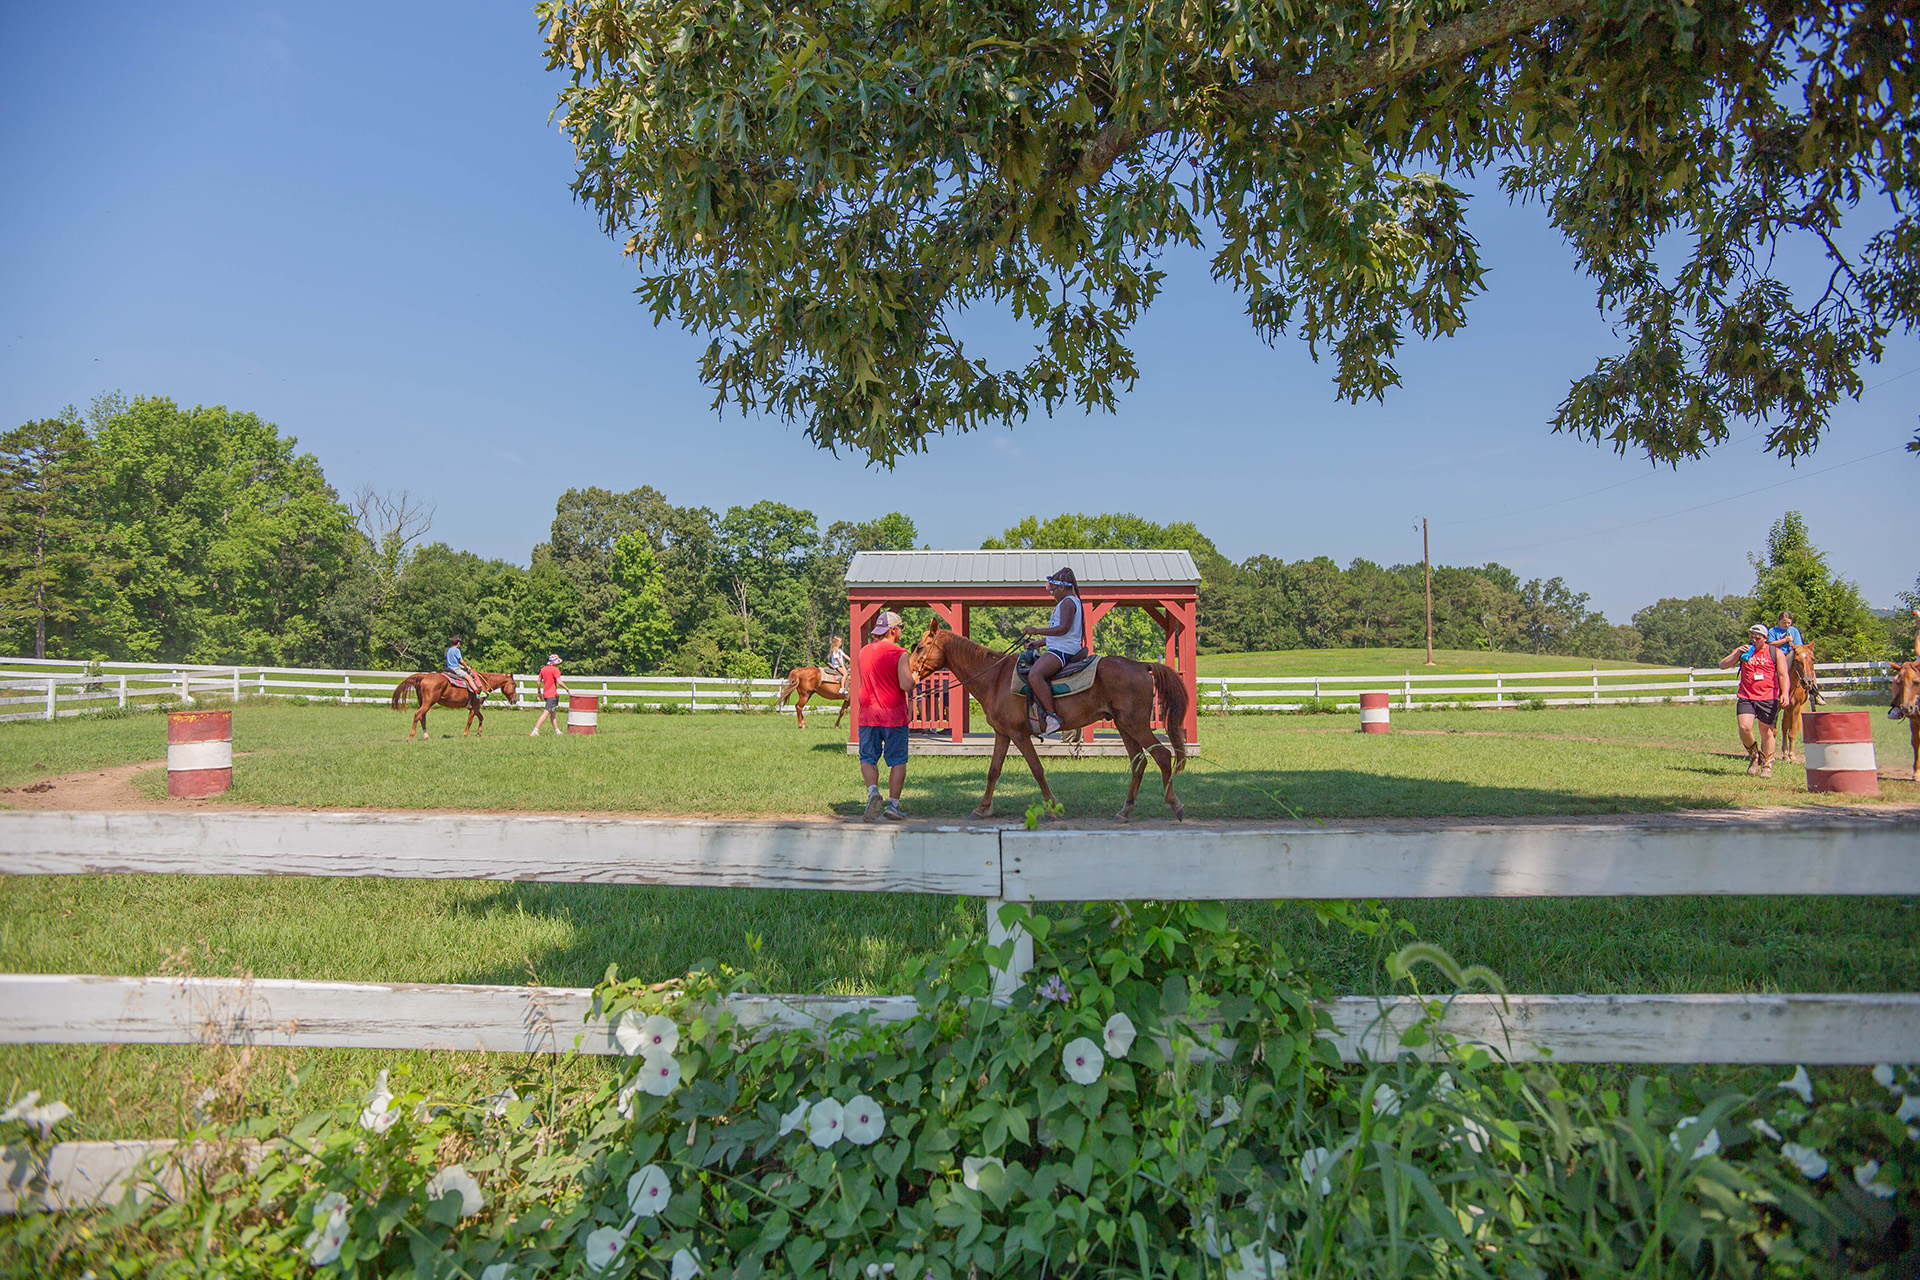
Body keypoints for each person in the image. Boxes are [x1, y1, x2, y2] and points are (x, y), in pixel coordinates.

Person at [855, 611, 916, 821]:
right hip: (893, 715)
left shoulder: (863, 652)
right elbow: (906, 684)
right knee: (897, 760)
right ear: (892, 630)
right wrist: (914, 679)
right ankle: (894, 806)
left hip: (867, 714)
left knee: (867, 758)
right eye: (900, 628)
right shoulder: (900, 653)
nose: (900, 632)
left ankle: (873, 792)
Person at [1019, 568, 1086, 739]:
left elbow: (1063, 629)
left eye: (1053, 589)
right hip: (1060, 647)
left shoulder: (1068, 603)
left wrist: (1036, 631)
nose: (1052, 593)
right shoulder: (1069, 602)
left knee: (1035, 675)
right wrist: (1037, 643)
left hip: (1062, 651)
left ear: (1062, 588)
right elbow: (1059, 634)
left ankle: (1052, 716)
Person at [1719, 622, 1791, 778]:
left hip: (1768, 697)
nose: (1753, 640)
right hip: (1746, 695)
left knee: (1767, 732)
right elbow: (1722, 665)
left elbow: (1783, 675)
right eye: (1751, 636)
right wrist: (1737, 653)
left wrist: (1785, 693)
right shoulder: (1744, 651)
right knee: (1744, 728)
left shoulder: (1775, 652)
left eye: (1757, 637)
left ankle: (1767, 765)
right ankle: (1754, 756)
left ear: (1765, 638)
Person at [529, 653, 572, 736]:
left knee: (553, 713)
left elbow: (538, 682)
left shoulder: (543, 669)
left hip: (546, 694)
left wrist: (539, 693)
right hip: (552, 695)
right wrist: (567, 689)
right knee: (546, 713)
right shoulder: (555, 670)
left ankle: (557, 731)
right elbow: (559, 682)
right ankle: (535, 730)